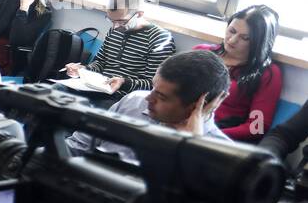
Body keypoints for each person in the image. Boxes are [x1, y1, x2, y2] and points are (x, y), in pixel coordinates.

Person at [66, 50, 231, 163]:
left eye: (162, 97)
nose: (148, 98)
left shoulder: (220, 154)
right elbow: (76, 146)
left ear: (200, 105)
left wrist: (191, 146)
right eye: (153, 88)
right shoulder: (133, 102)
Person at [63, 0, 175, 102]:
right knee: (56, 91)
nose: (115, 27)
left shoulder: (160, 39)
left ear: (139, 14)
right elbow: (100, 62)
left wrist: (123, 83)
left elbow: (155, 85)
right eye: (111, 20)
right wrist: (84, 70)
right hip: (96, 88)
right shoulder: (116, 29)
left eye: (122, 21)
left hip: (122, 97)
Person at [193, 5, 282, 142]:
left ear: (259, 42)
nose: (232, 40)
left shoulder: (267, 74)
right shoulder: (201, 53)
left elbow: (256, 127)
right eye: (231, 31)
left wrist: (210, 134)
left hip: (219, 135)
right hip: (180, 121)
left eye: (245, 38)